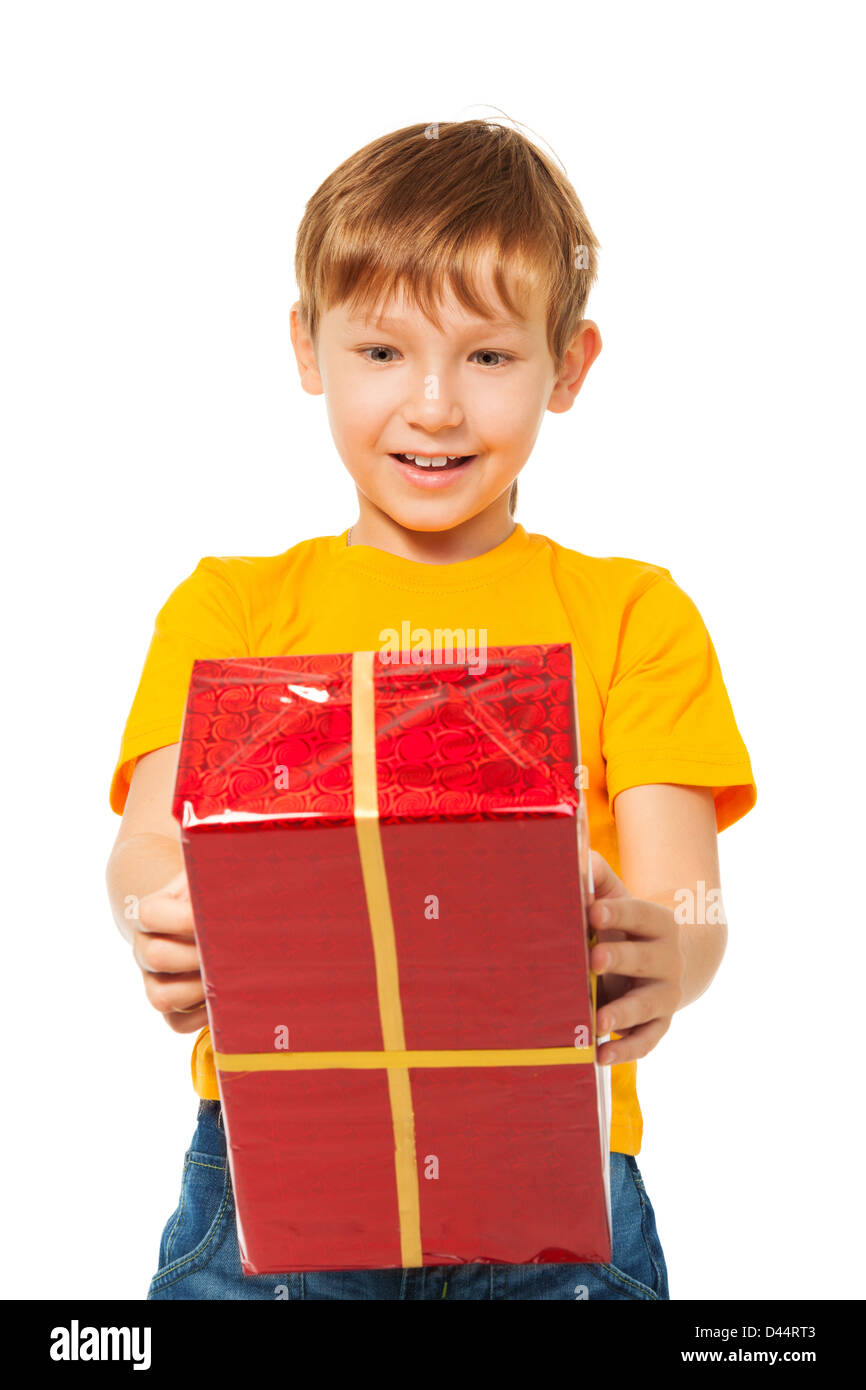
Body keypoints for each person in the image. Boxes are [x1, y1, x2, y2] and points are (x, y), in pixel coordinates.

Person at [105, 118, 757, 1301]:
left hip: (552, 1174)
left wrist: (670, 952)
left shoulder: (631, 614)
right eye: (381, 351)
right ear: (307, 348)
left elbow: (687, 891)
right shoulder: (231, 610)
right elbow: (150, 839)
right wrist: (158, 909)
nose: (434, 407)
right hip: (274, 1164)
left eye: (489, 358)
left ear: (568, 365)